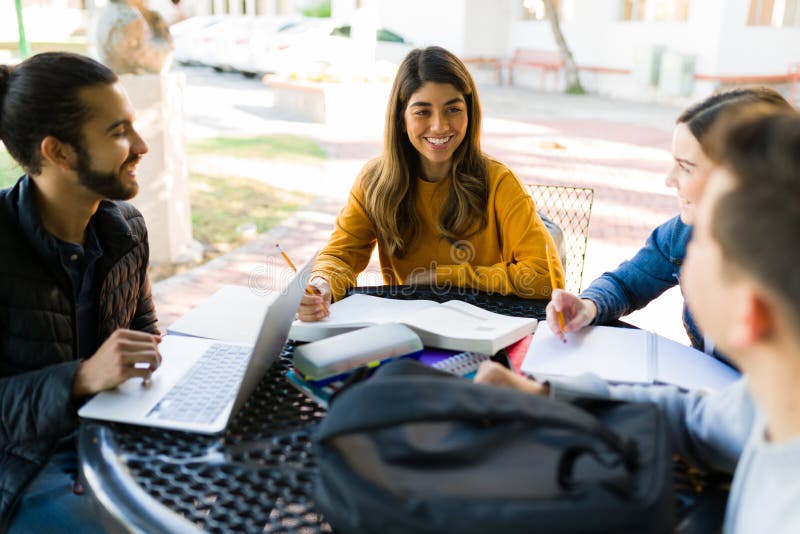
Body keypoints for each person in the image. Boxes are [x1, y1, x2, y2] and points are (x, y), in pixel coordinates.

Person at [476, 107, 800, 533]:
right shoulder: (767, 400)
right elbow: (688, 415)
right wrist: (548, 396)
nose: (688, 241)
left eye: (709, 238)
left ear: (748, 312)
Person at [0, 52, 162, 531]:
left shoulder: (126, 228)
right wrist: (81, 378)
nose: (141, 145)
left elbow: (145, 333)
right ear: (59, 152)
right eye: (118, 132)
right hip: (24, 470)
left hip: (113, 441)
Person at [298, 46, 564, 321]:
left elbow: (545, 279)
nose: (439, 126)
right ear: (401, 119)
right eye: (422, 112)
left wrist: (444, 275)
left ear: (469, 113)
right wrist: (321, 285)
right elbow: (341, 255)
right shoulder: (374, 181)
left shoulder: (499, 182)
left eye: (453, 109)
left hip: (484, 326)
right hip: (410, 328)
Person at [545, 87, 792, 364]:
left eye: (686, 167)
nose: (669, 179)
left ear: (739, 175)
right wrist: (588, 306)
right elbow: (628, 283)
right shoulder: (683, 234)